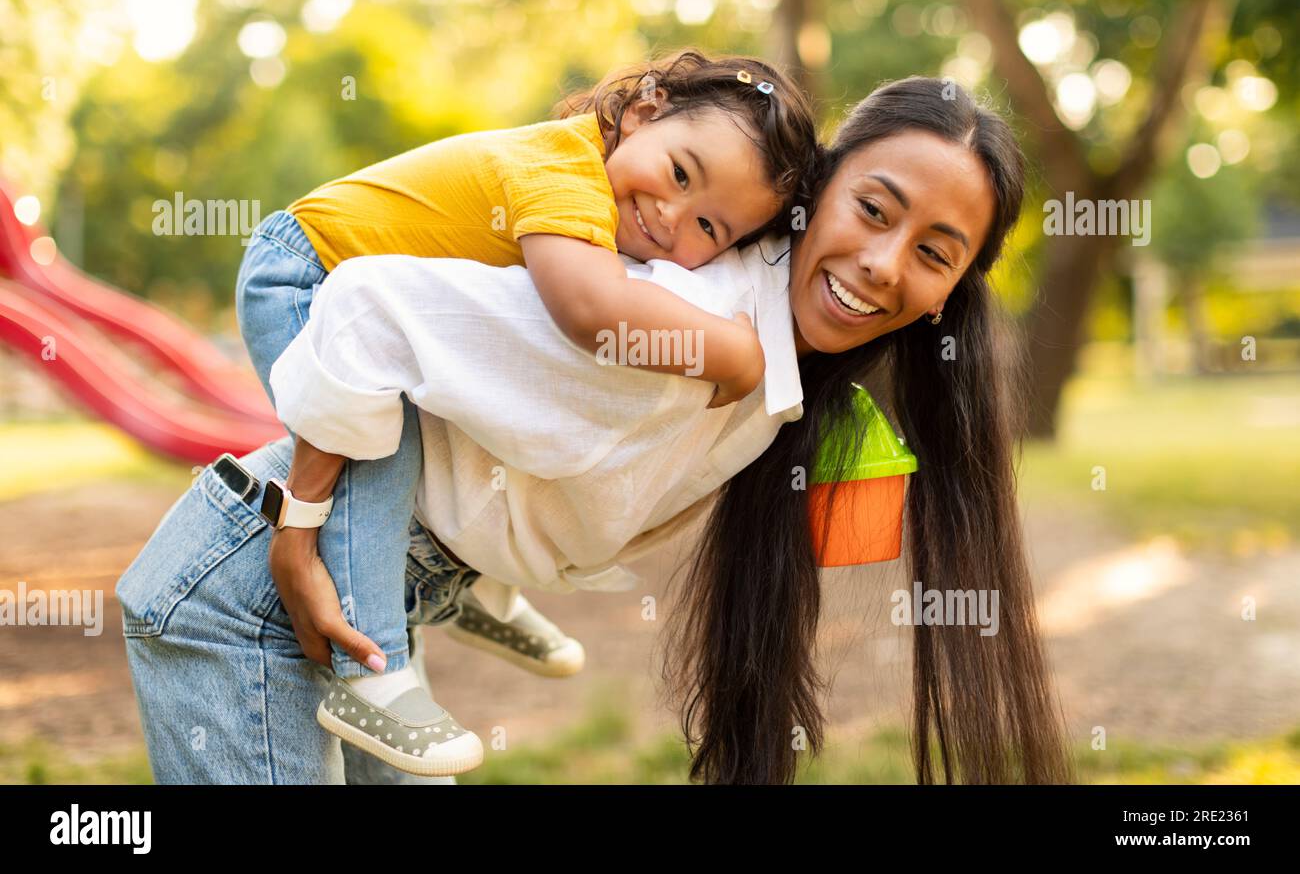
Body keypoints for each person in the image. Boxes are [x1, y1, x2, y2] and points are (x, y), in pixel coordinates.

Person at [118, 76, 1074, 785]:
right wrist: (299, 521)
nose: (880, 263)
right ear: (812, 196)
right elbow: (369, 306)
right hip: (244, 605)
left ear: (952, 295)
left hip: (371, 612)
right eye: (873, 209)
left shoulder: (776, 381)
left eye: (932, 254)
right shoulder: (662, 319)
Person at [233, 47, 817, 775]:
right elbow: (591, 313)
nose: (672, 218)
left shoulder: (606, 197)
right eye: (678, 174)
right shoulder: (564, 171)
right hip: (304, 272)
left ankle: (469, 589)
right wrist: (736, 355)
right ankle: (369, 679)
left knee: (478, 404)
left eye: (710, 229)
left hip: (351, 289)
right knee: (380, 459)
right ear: (643, 112)